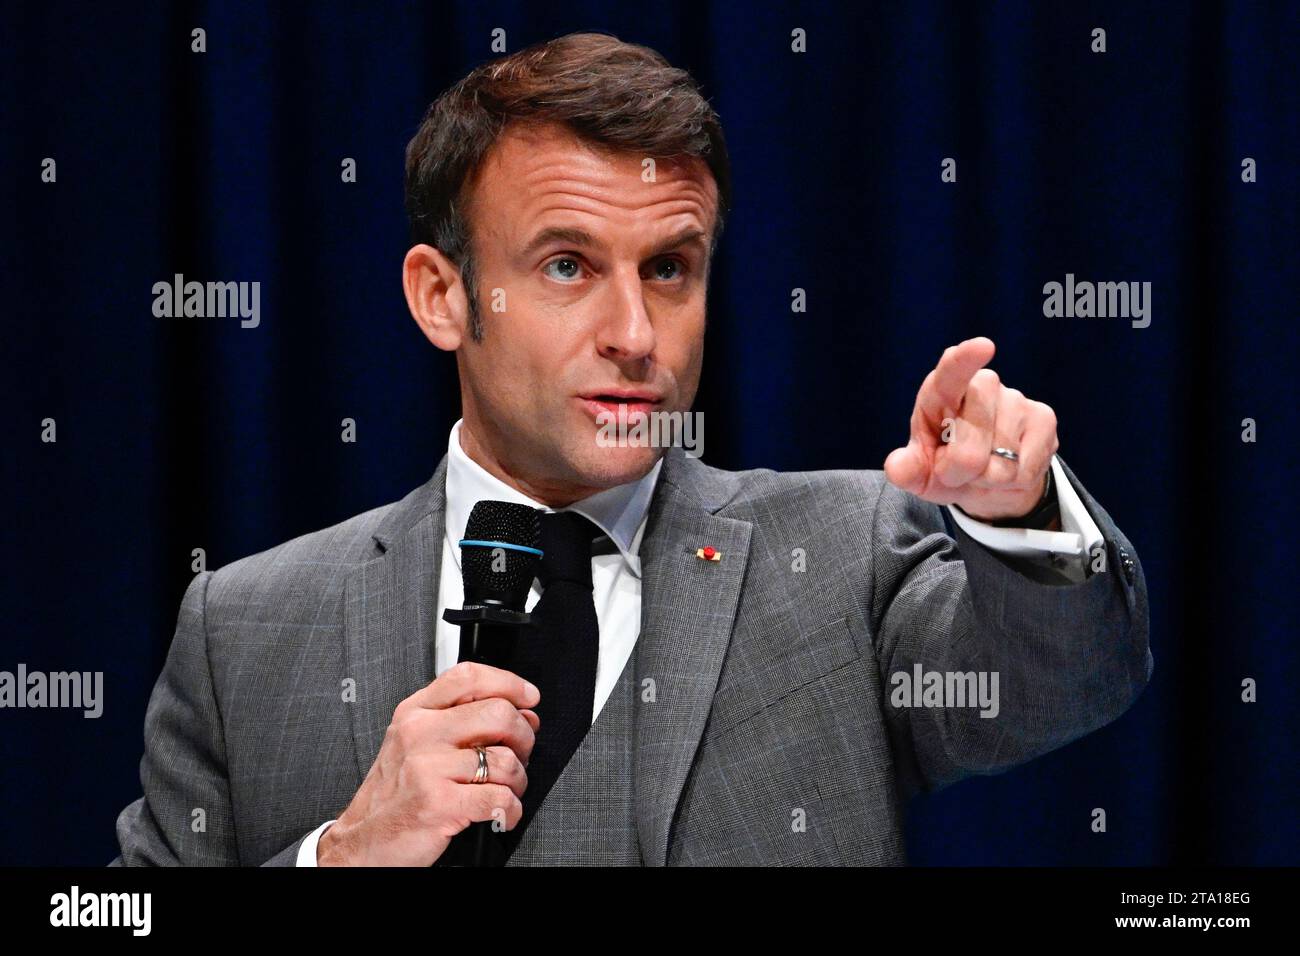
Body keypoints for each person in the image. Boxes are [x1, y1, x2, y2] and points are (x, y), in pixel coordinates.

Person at [111, 32, 1151, 867]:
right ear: (442, 294)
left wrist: (1018, 514)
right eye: (566, 264)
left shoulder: (845, 556)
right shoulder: (243, 628)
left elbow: (1070, 678)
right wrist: (336, 859)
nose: (636, 334)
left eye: (667, 267)